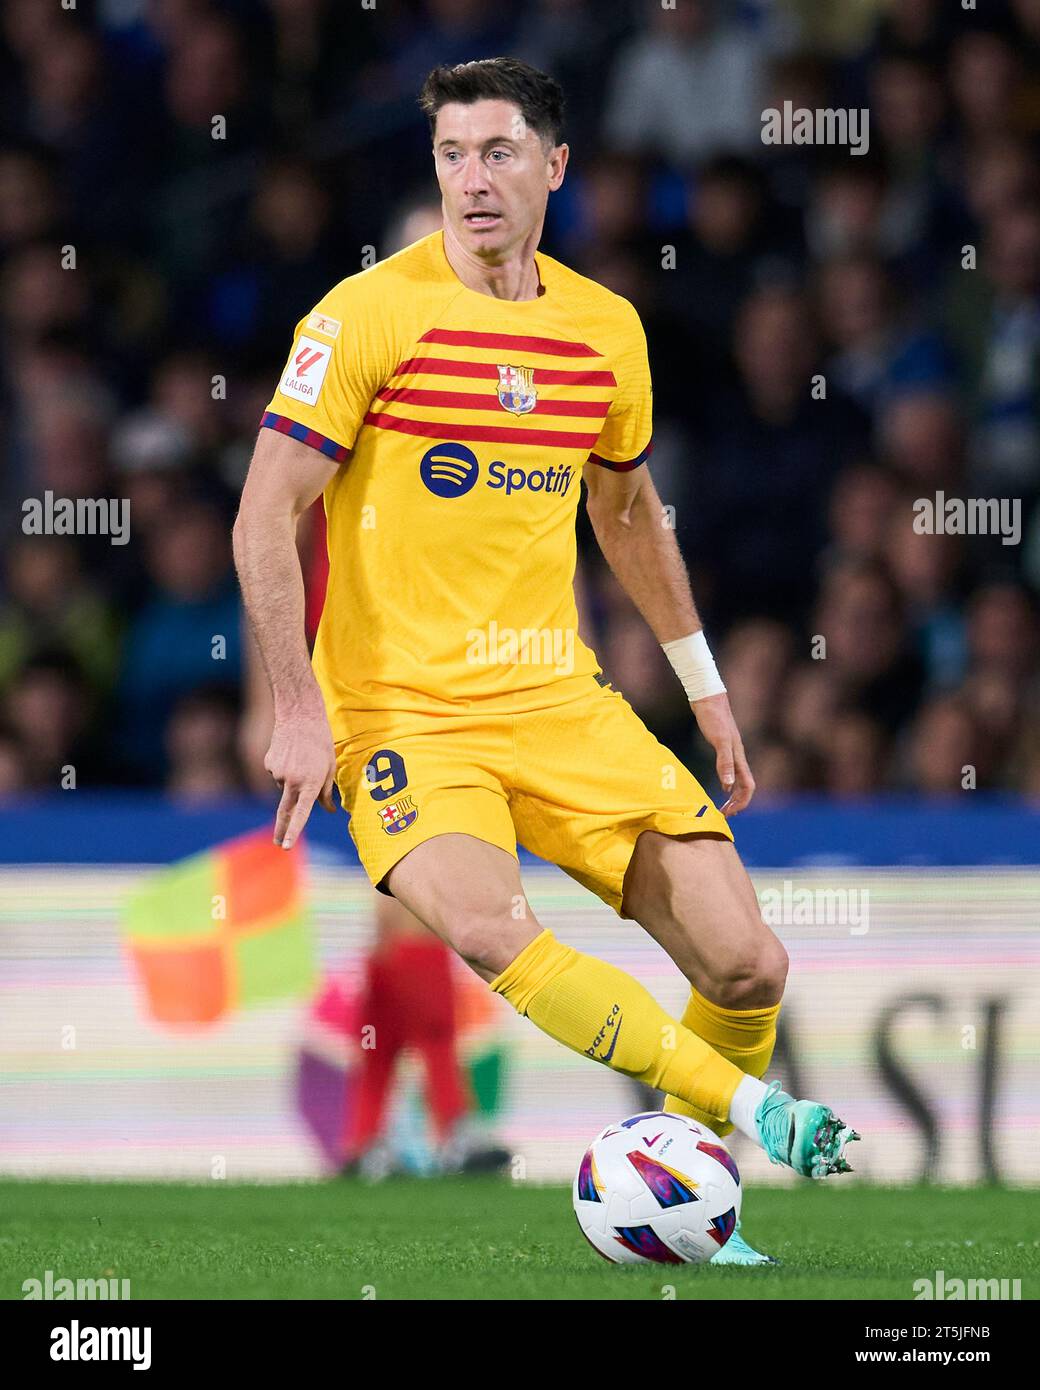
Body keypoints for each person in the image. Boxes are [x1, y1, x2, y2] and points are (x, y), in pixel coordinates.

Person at [233, 57, 859, 1266]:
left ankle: (685, 1205)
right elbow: (263, 514)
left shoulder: (602, 329)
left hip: (558, 698)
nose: (472, 181)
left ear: (555, 167)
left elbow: (626, 513)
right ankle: (752, 1117)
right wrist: (296, 707)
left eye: (499, 152)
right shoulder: (362, 314)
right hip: (402, 712)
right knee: (483, 926)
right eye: (451, 156)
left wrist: (705, 687)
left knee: (745, 960)